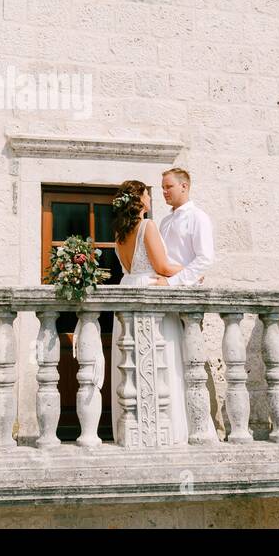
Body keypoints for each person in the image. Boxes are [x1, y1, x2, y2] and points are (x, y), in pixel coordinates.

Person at [99, 179, 189, 445]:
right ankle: (164, 429)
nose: (152, 197)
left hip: (129, 287)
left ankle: (134, 429)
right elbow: (161, 265)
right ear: (139, 199)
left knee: (132, 363)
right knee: (161, 360)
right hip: (149, 289)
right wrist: (190, 272)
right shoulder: (147, 226)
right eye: (148, 194)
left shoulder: (119, 234)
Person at [154, 168, 215, 287]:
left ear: (184, 187)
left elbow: (205, 259)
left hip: (186, 291)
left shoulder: (198, 217)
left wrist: (170, 282)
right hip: (161, 288)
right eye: (163, 188)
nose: (164, 192)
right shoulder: (165, 221)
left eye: (169, 186)